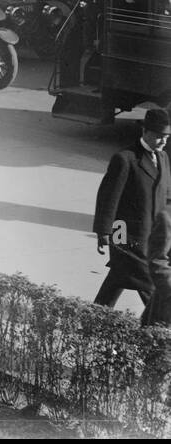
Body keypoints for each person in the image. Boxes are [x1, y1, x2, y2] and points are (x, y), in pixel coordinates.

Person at [93, 108, 171, 308]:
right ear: (145, 132)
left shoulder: (163, 158)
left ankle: (96, 314)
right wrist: (104, 232)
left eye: (167, 137)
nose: (163, 142)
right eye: (159, 136)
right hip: (126, 234)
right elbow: (109, 198)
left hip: (153, 236)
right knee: (147, 280)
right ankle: (159, 325)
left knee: (119, 275)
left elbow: (166, 195)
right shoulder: (125, 159)